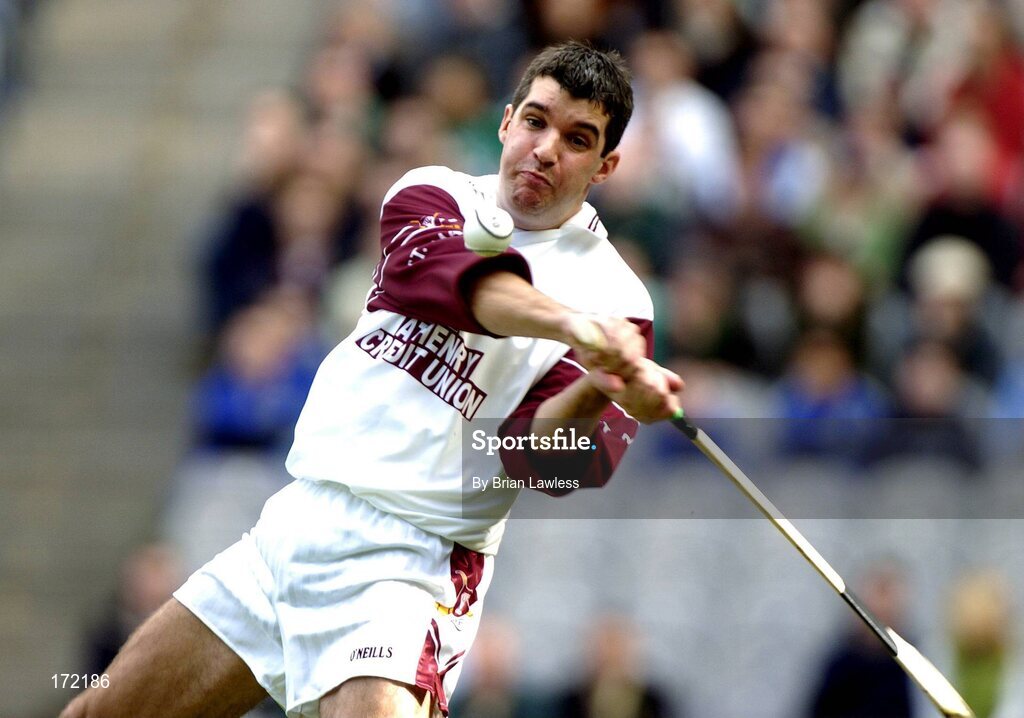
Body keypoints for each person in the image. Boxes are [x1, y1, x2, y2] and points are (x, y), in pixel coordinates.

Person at [61, 41, 683, 718]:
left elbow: (538, 462)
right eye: (536, 121)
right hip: (298, 522)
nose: (545, 148)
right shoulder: (431, 192)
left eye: (577, 138)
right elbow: (465, 290)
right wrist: (578, 330)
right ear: (506, 123)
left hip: (413, 564)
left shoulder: (622, 302)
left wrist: (600, 386)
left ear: (606, 166)